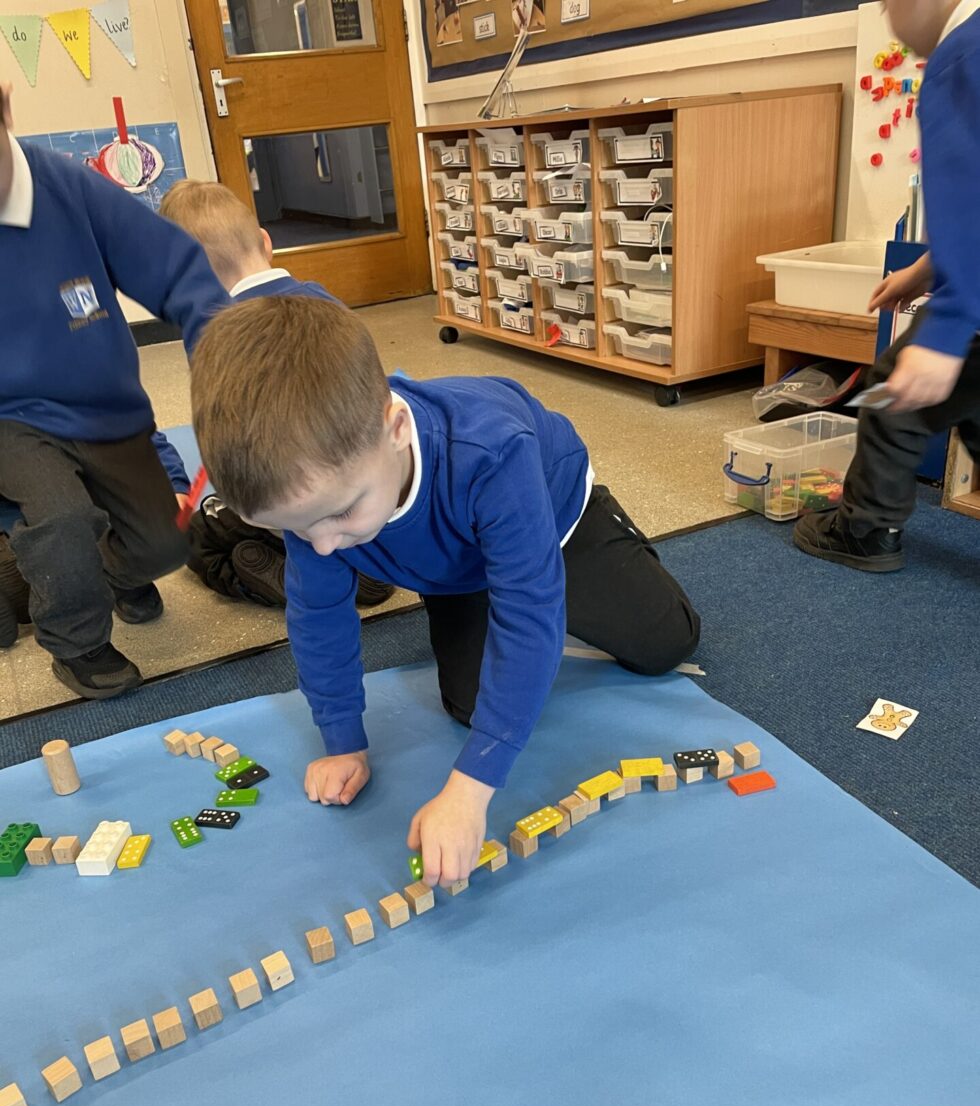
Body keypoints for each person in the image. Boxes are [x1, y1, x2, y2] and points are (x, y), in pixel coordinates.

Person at [190, 297, 701, 887]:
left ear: (397, 429)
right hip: (453, 562)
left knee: (667, 643)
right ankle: (451, 583)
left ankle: (606, 550)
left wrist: (470, 789)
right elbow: (319, 615)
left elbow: (530, 612)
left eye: (340, 516)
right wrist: (343, 741)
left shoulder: (491, 453)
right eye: (296, 530)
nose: (322, 546)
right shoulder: (319, 506)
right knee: (470, 707)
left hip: (557, 521)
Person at [0, 83, 229, 695]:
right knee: (63, 521)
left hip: (106, 410)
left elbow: (177, 269)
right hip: (12, 418)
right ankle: (78, 641)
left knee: (167, 543)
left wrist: (222, 361)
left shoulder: (66, 186)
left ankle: (99, 572)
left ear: (3, 109)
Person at [794, 0, 980, 572]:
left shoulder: (960, 60)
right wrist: (926, 269)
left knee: (890, 394)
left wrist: (946, 331)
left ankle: (866, 530)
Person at [157, 179, 393, 608]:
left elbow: (227, 443)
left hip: (287, 500)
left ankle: (292, 575)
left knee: (198, 536)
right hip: (364, 491)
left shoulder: (211, 335)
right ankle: (367, 564)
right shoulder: (325, 303)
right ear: (266, 241)